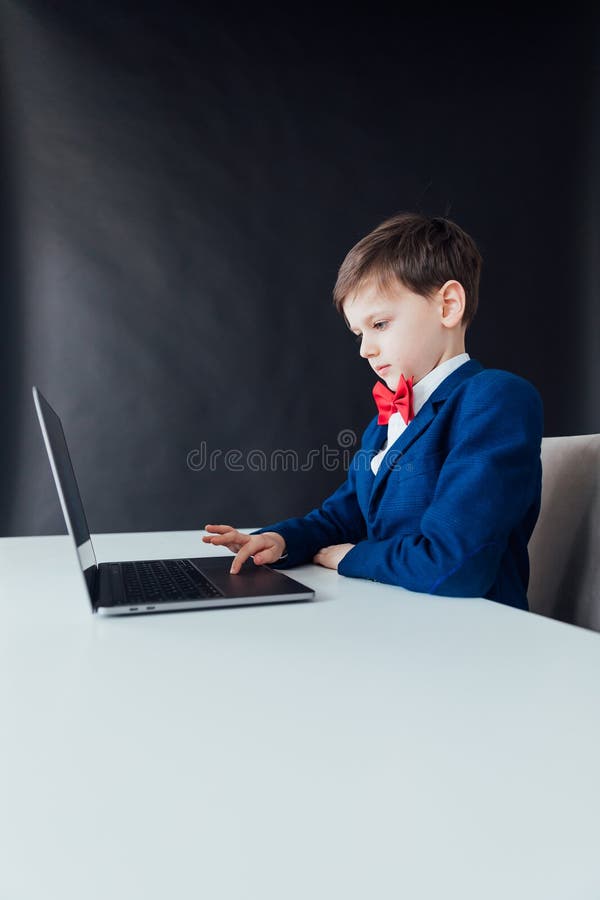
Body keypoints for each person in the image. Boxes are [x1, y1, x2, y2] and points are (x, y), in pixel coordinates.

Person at [203, 212, 544, 610]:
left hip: (473, 633)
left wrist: (350, 558)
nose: (365, 349)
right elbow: (342, 517)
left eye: (379, 324)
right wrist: (279, 541)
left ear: (448, 306)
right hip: (389, 612)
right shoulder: (384, 422)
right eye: (358, 333)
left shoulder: (494, 399)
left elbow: (455, 562)